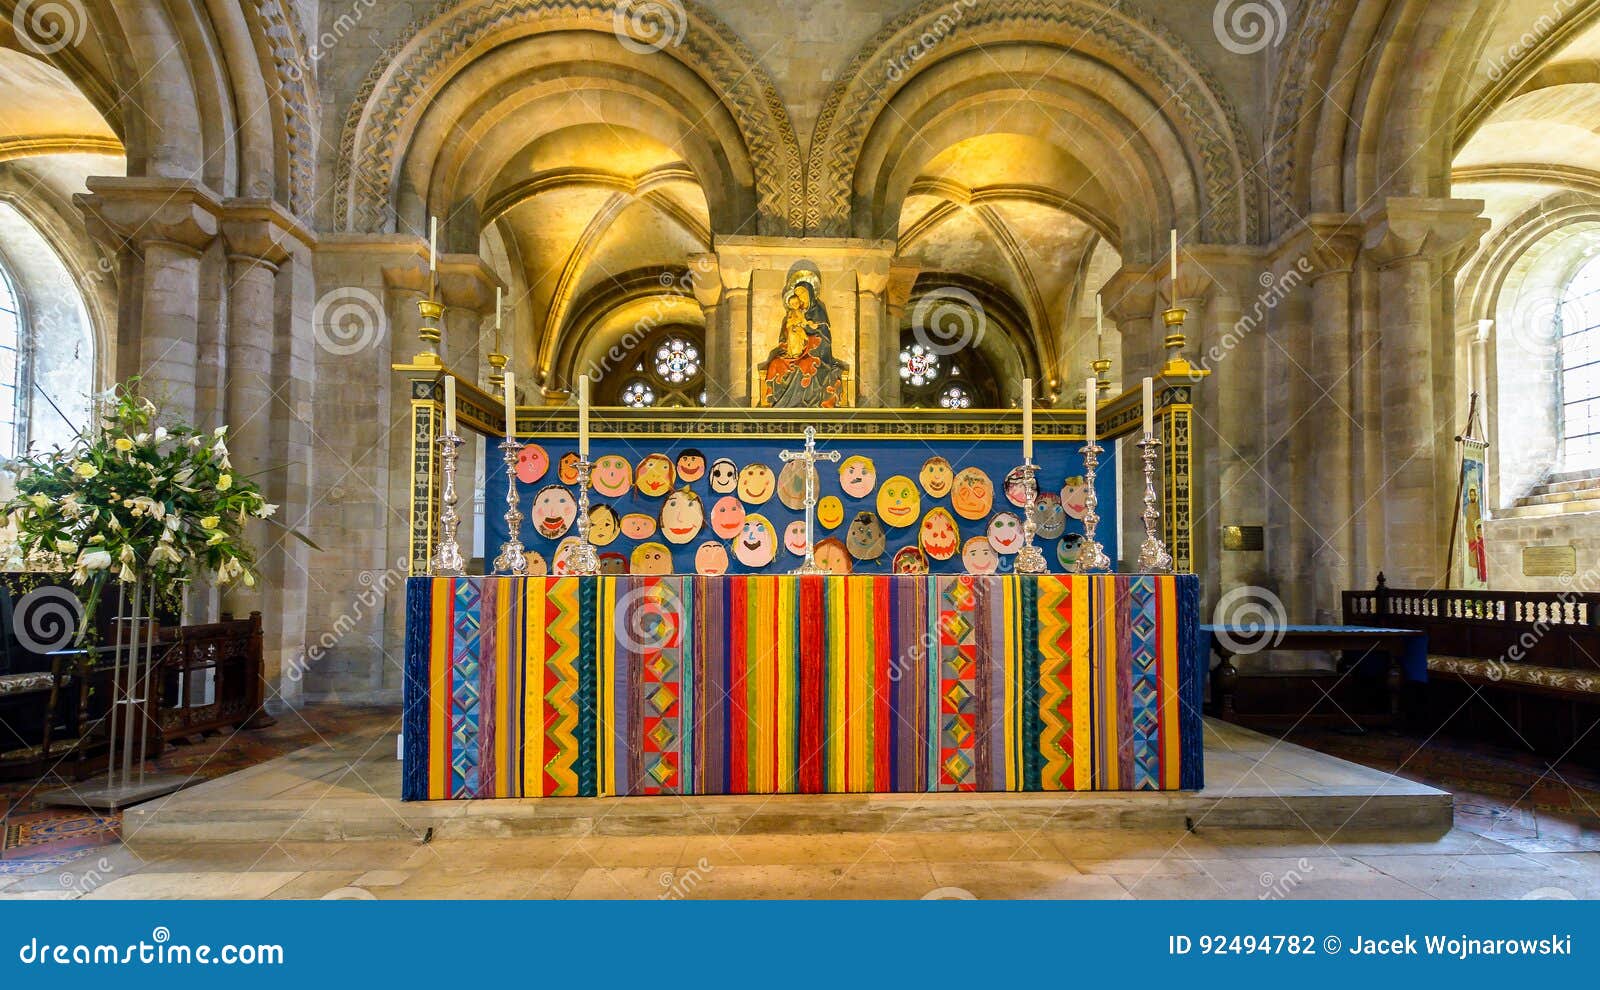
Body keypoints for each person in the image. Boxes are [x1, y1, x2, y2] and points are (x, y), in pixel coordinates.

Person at [761, 280, 847, 407]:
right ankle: (774, 405)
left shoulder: (818, 311)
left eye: (802, 293)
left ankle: (793, 405)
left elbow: (825, 340)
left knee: (802, 369)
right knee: (775, 363)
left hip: (815, 353)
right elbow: (784, 339)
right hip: (794, 350)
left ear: (810, 293)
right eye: (797, 294)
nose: (800, 297)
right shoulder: (791, 315)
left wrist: (808, 337)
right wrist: (789, 339)